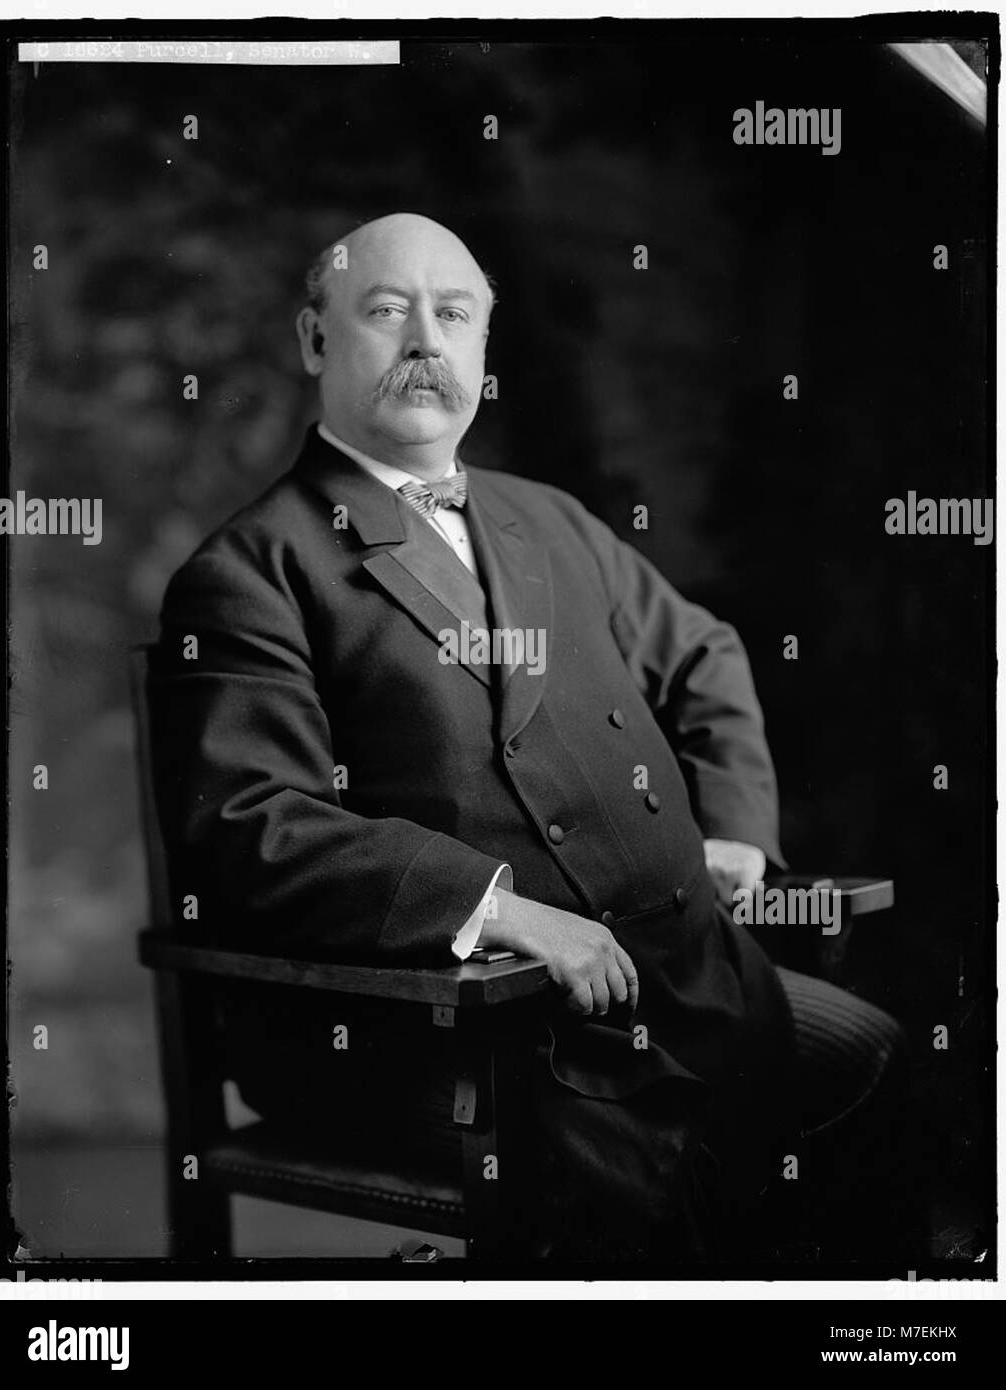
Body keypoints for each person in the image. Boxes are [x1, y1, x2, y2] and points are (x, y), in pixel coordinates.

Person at [148, 213, 913, 1262]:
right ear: (316, 342)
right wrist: (499, 911)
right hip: (460, 1027)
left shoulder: (546, 520)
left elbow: (701, 653)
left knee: (877, 1075)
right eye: (385, 311)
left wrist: (735, 828)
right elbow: (253, 825)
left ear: (479, 350)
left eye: (452, 315)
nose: (425, 339)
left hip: (675, 977)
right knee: (659, 1205)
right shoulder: (250, 571)